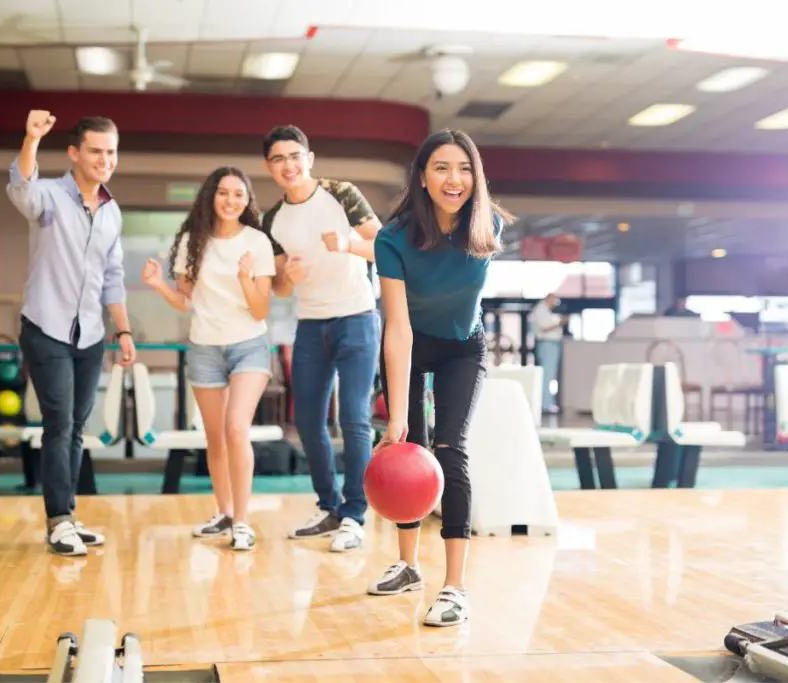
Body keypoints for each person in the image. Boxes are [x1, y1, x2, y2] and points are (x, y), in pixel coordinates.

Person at [370, 128, 513, 627]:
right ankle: (408, 564)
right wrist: (399, 419)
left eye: (464, 168)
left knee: (451, 450)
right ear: (423, 178)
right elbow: (398, 327)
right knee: (409, 446)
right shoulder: (391, 239)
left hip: (462, 347)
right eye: (442, 168)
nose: (455, 179)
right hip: (410, 341)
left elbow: (464, 301)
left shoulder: (487, 225)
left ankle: (454, 586)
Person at [6, 110, 136, 557]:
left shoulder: (112, 212)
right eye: (96, 151)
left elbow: (113, 275)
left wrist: (123, 330)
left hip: (90, 334)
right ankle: (58, 518)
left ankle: (68, 516)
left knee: (77, 427)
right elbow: (21, 189)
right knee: (59, 424)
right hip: (46, 327)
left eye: (112, 152)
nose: (105, 159)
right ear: (75, 153)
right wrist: (30, 140)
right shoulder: (49, 196)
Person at [260, 125, 382, 552]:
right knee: (308, 422)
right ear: (269, 167)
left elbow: (385, 245)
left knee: (353, 418)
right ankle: (329, 505)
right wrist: (285, 279)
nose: (288, 166)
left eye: (295, 156)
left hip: (357, 317)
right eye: (278, 159)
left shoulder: (341, 193)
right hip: (311, 324)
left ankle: (355, 514)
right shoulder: (271, 219)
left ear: (309, 158)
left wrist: (349, 243)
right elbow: (278, 287)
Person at [141, 167, 276, 552]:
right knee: (215, 438)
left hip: (249, 345)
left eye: (239, 194)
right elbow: (187, 302)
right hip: (204, 348)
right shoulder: (191, 241)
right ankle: (225, 512)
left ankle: (244, 522)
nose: (231, 201)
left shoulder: (257, 242)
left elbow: (260, 309)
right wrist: (157, 286)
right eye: (223, 193)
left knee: (237, 429)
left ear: (247, 200)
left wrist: (247, 278)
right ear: (210, 197)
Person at [530, 293, 567, 414]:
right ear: (549, 299)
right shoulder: (540, 310)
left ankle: (547, 403)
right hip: (547, 344)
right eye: (554, 301)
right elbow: (544, 328)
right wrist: (560, 322)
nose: (555, 304)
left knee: (549, 375)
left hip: (551, 344)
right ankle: (545, 405)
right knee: (547, 375)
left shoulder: (546, 311)